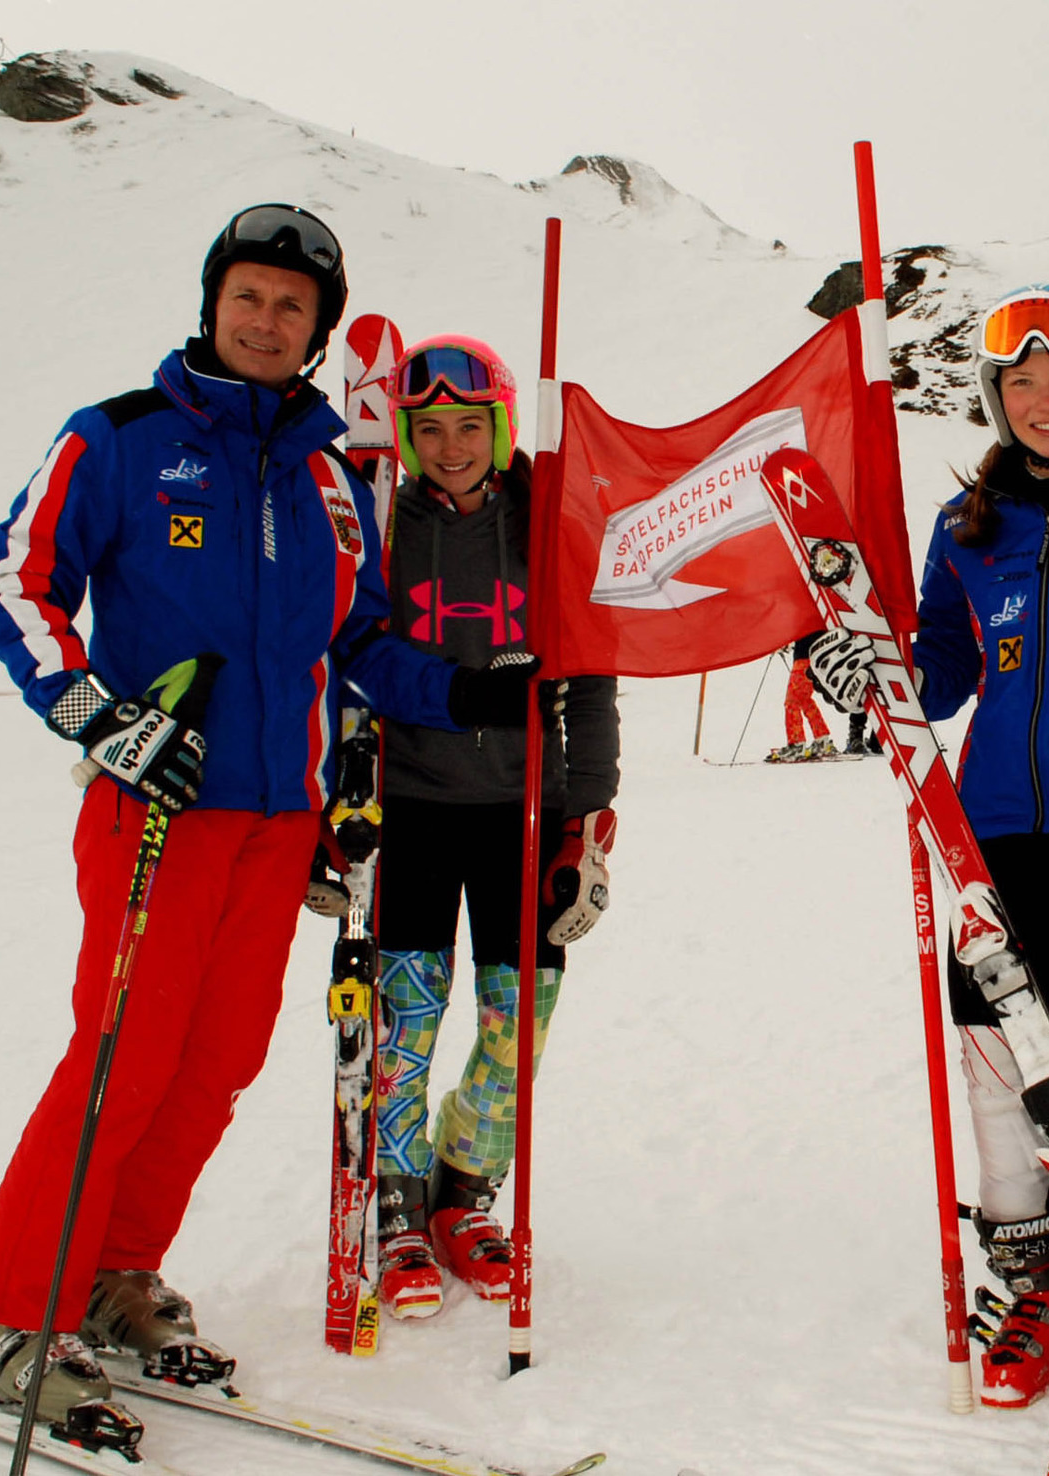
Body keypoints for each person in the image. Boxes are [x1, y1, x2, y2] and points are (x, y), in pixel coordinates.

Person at [0, 205, 539, 1430]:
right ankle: (4, 1311)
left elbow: (358, 639)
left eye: (293, 305)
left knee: (213, 1066)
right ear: (213, 302)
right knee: (121, 1057)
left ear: (319, 329)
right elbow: (11, 582)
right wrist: (97, 715)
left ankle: (112, 1269)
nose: (269, 321)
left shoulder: (328, 475)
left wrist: (463, 689)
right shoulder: (120, 438)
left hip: (280, 824)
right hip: (159, 812)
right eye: (250, 296)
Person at [809, 284, 1049, 1408]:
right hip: (989, 837)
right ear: (992, 397)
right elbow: (940, 669)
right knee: (994, 1067)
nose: (1042, 399)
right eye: (1018, 382)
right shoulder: (965, 528)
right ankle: (1032, 1278)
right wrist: (865, 659)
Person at [364, 334, 620, 1318]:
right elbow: (355, 663)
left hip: (526, 809)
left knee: (519, 1024)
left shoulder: (548, 522)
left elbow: (590, 672)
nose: (451, 445)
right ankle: (395, 1199)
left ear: (502, 427)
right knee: (408, 1021)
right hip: (416, 805)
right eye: (429, 428)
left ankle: (462, 1192)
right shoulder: (382, 528)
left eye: (470, 426)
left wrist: (585, 815)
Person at [767, 630, 836, 762]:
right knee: (804, 700)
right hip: (817, 658)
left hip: (803, 659)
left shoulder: (803, 612)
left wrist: (782, 642)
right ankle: (822, 740)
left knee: (792, 702)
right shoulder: (818, 612)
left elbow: (796, 626)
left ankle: (797, 744)